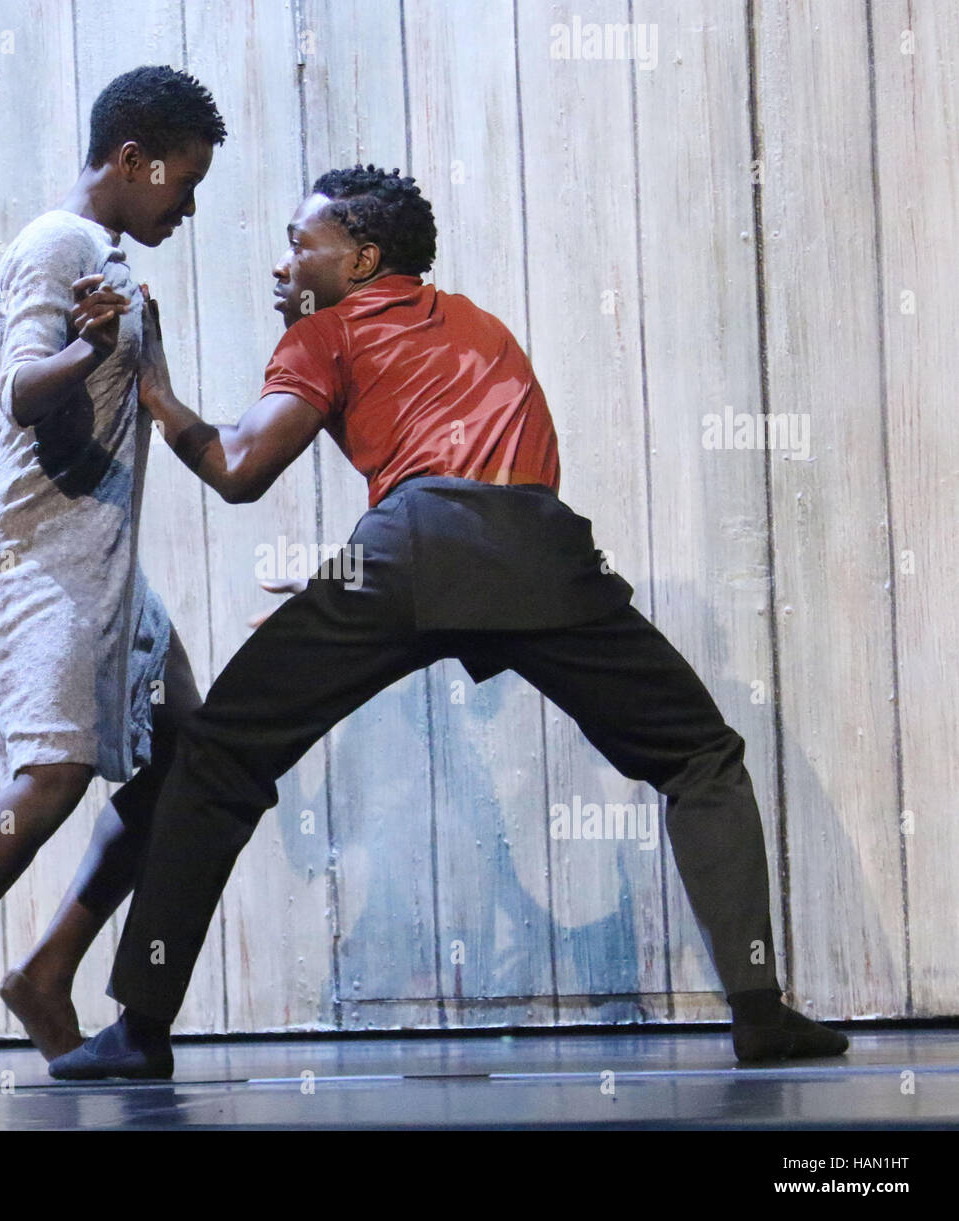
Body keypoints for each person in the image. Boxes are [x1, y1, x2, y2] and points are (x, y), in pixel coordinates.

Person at [48, 165, 851, 1080]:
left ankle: (140, 1029)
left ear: (361, 259)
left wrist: (153, 385)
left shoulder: (328, 331)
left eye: (298, 244)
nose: (282, 264)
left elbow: (239, 468)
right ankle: (759, 1009)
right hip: (542, 549)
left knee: (220, 753)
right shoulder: (477, 324)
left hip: (412, 547)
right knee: (700, 757)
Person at [0, 66, 226, 1096]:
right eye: (181, 183)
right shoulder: (58, 243)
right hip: (36, 550)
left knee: (182, 766)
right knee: (51, 781)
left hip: (102, 554)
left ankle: (47, 972)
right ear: (131, 159)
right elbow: (24, 389)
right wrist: (88, 343)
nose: (187, 207)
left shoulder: (101, 257)